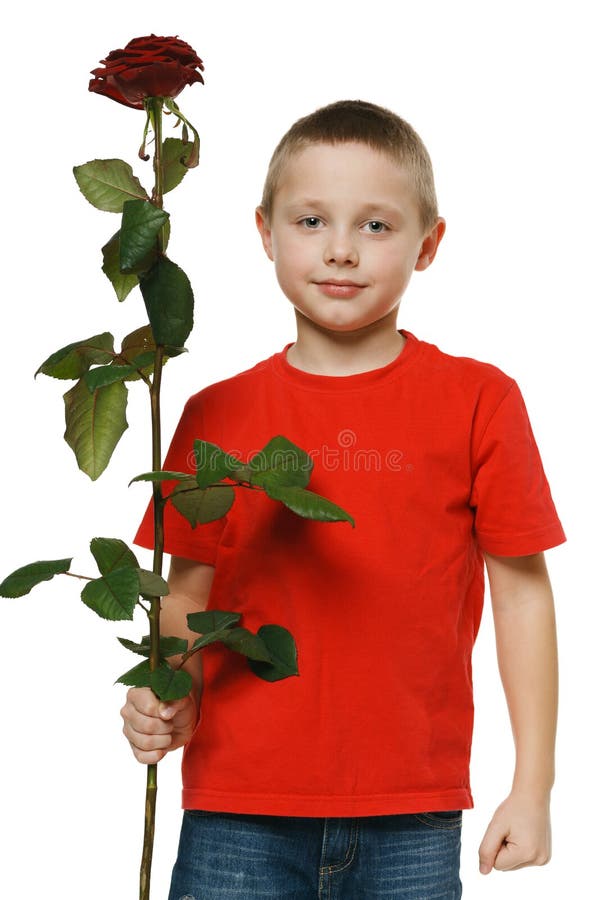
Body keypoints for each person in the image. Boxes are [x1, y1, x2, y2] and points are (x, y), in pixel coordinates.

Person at [122, 99, 566, 899]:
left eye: (375, 226)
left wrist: (533, 788)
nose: (339, 250)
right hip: (237, 809)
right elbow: (186, 591)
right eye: (311, 220)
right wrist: (166, 688)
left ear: (428, 244)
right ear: (265, 233)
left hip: (412, 812)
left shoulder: (480, 402)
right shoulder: (215, 414)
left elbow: (523, 597)